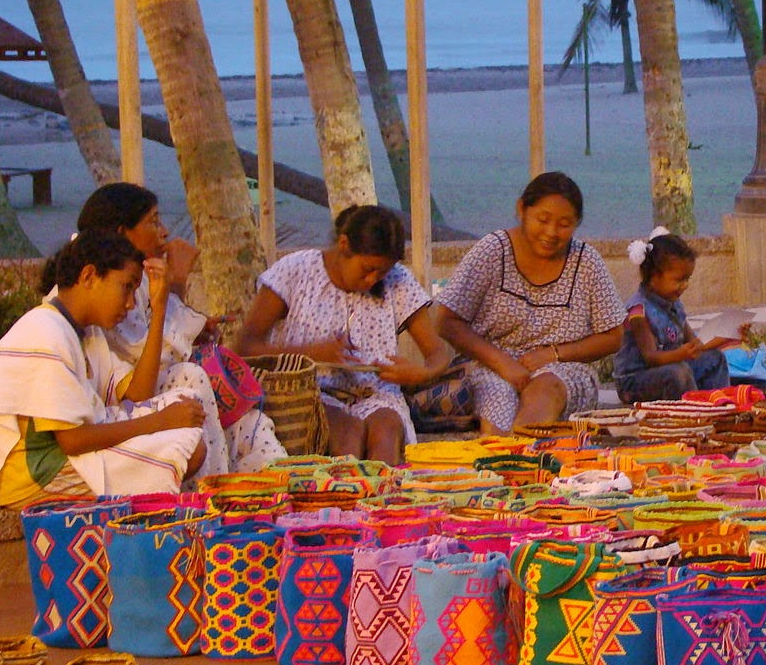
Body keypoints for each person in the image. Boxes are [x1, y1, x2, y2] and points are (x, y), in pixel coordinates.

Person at [0, 232, 207, 509]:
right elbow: (73, 440)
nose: (131, 304)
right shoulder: (45, 332)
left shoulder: (83, 333)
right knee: (188, 448)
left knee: (185, 402)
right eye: (126, 287)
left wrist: (159, 310)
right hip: (33, 477)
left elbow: (136, 395)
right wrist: (160, 422)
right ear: (89, 276)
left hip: (59, 459)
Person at [71, 183, 286, 475]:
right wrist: (177, 282)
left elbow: (164, 342)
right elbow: (153, 365)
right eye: (153, 221)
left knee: (248, 420)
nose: (164, 232)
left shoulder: (134, 274)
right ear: (122, 233)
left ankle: (273, 477)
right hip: (118, 410)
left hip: (136, 397)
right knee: (191, 376)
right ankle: (214, 485)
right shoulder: (105, 282)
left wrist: (185, 316)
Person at [235, 205, 449, 463]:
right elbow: (244, 347)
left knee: (386, 432)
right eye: (367, 269)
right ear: (344, 244)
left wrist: (421, 373)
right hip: (312, 396)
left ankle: (385, 488)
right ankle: (344, 486)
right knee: (347, 436)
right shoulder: (295, 271)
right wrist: (310, 354)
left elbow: (438, 353)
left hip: (377, 395)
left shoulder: (397, 280)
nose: (372, 280)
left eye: (381, 273)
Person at [436, 171, 627, 434]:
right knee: (497, 401)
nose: (551, 232)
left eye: (564, 224)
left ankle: (525, 450)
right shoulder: (492, 251)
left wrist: (554, 354)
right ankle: (500, 453)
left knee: (546, 389)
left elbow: (613, 336)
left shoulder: (586, 261)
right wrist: (503, 363)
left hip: (564, 371)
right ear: (522, 210)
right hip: (491, 365)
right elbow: (447, 322)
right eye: (543, 220)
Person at [611, 229, 731, 403]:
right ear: (654, 276)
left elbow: (694, 344)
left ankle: (720, 406)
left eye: (687, 279)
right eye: (679, 280)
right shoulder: (638, 311)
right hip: (636, 381)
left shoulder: (674, 305)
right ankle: (691, 412)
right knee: (678, 372)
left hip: (672, 367)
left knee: (714, 359)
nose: (685, 285)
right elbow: (651, 357)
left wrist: (728, 336)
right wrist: (680, 354)